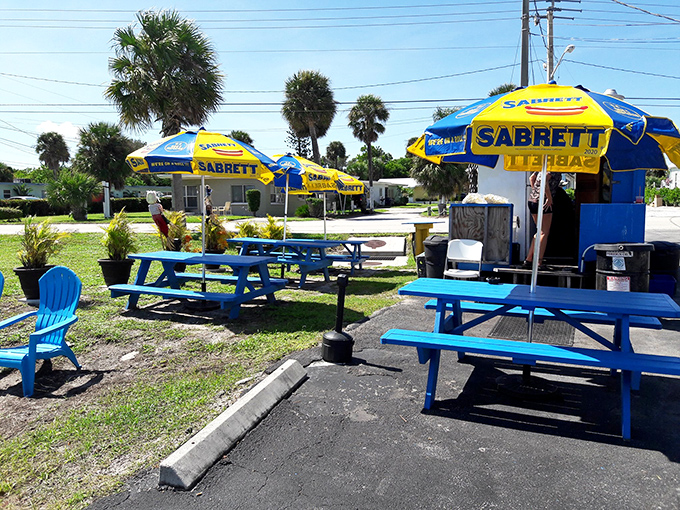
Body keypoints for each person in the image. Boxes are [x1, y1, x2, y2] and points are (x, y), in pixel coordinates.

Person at [523, 171, 562, 269]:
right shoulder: (553, 168)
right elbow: (544, 180)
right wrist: (549, 198)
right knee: (544, 232)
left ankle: (529, 259)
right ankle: (538, 262)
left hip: (533, 200)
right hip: (544, 201)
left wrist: (535, 192)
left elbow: (532, 178)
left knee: (539, 231)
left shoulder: (542, 165)